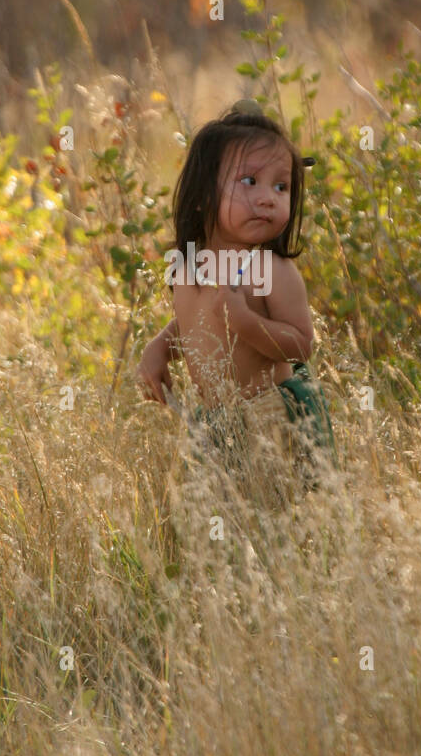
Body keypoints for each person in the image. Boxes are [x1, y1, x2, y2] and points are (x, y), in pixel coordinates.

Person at [137, 100, 336, 499]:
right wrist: (160, 346)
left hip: (268, 418)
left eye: (282, 186)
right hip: (214, 425)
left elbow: (301, 344)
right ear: (201, 195)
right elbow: (198, 324)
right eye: (250, 182)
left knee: (274, 521)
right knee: (224, 530)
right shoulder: (188, 268)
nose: (269, 198)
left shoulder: (271, 269)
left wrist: (245, 322)